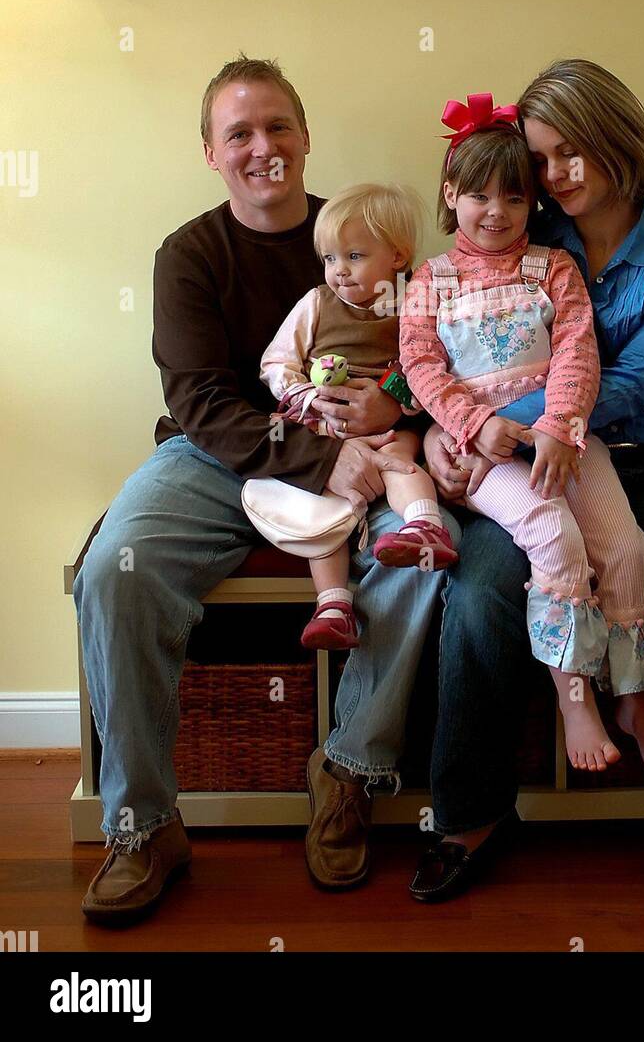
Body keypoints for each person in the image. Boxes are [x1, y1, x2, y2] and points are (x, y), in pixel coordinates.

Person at [71, 55, 480, 919]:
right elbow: (197, 397)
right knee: (117, 569)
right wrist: (313, 454)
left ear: (305, 135)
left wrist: (396, 418)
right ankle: (144, 824)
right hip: (212, 458)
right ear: (211, 154)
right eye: (239, 133)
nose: (263, 148)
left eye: (278, 127)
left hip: (364, 448)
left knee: (423, 552)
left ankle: (347, 770)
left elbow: (431, 352)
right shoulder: (189, 254)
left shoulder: (359, 234)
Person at [410, 59, 644, 907]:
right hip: (526, 469)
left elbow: (642, 379)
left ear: (619, 140)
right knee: (481, 598)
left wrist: (487, 427)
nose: (552, 176)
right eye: (540, 157)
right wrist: (452, 430)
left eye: (571, 151)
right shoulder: (522, 237)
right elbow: (440, 354)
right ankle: (469, 814)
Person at [399, 96, 644, 778]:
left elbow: (578, 353)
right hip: (488, 457)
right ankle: (573, 695)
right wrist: (476, 424)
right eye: (478, 196)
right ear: (450, 196)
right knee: (556, 539)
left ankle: (632, 695)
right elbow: (419, 366)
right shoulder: (430, 282)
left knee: (626, 550)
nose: (494, 212)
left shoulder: (553, 268)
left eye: (514, 198)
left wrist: (558, 426)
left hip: (563, 441)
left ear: (532, 206)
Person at [245, 182, 459, 651]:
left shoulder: (418, 305)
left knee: (400, 458)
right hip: (327, 430)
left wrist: (398, 400)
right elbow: (276, 363)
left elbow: (436, 370)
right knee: (323, 504)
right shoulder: (317, 304)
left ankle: (424, 526)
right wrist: (306, 396)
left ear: (398, 257)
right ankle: (334, 604)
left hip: (390, 428)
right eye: (329, 259)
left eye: (355, 257)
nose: (338, 272)